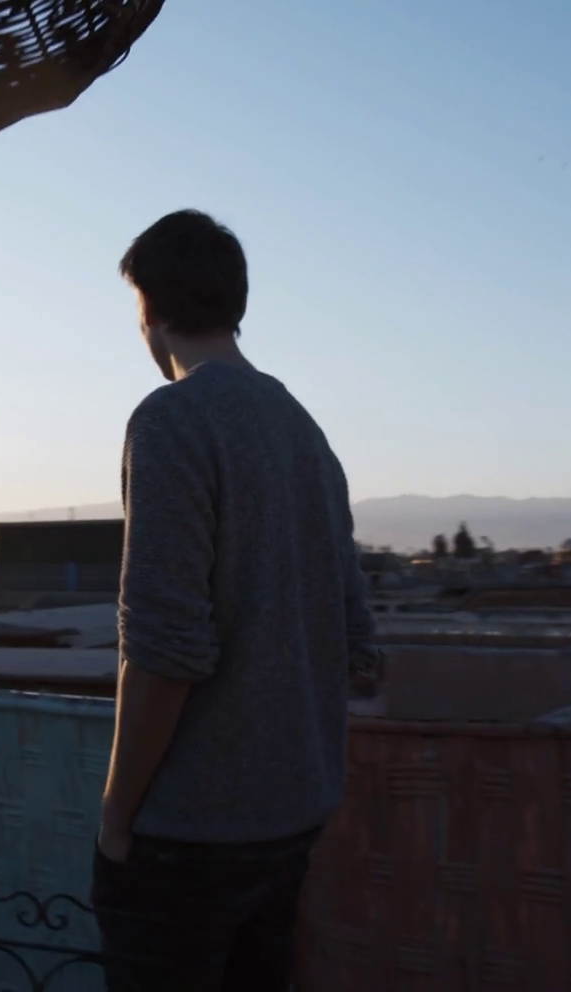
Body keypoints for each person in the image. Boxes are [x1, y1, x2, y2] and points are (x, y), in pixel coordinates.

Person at [92, 209, 379, 991]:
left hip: (190, 837)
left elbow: (165, 649)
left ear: (149, 311)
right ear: (235, 303)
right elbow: (357, 635)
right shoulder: (307, 433)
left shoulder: (172, 421)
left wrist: (117, 822)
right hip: (292, 820)